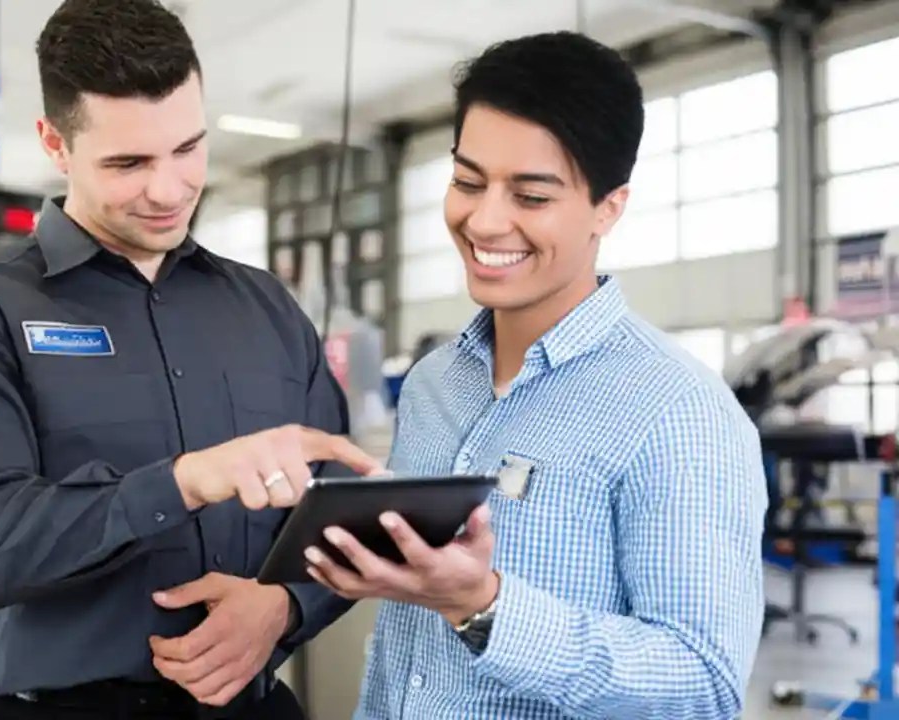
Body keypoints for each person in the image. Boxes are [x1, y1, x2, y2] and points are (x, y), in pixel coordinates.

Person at [0, 1, 383, 718]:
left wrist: (284, 607)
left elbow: (338, 510)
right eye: (128, 162)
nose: (168, 189)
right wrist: (184, 482)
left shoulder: (269, 310)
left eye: (188, 149)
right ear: (55, 145)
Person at [303, 32, 767, 719]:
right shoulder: (435, 384)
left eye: (532, 195)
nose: (485, 221)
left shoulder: (677, 410)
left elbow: (700, 685)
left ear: (609, 207)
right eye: (467, 181)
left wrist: (483, 607)